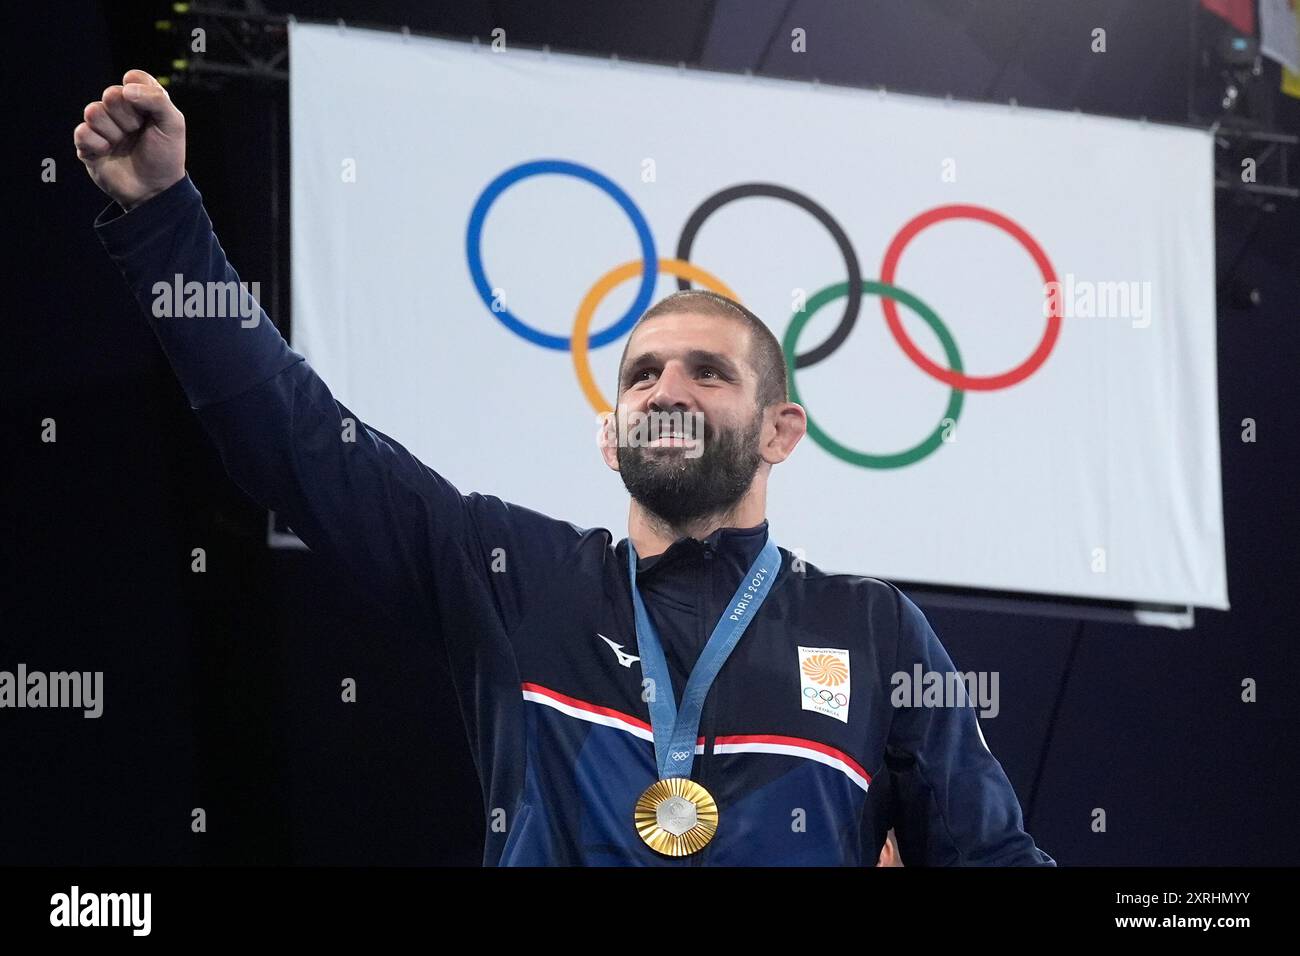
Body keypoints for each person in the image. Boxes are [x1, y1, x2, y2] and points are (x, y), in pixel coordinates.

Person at [74, 69, 1056, 867]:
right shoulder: (509, 570)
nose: (666, 387)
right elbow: (289, 436)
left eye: (708, 371)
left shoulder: (874, 627)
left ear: (779, 430)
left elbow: (994, 855)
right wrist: (165, 217)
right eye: (641, 374)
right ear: (609, 431)